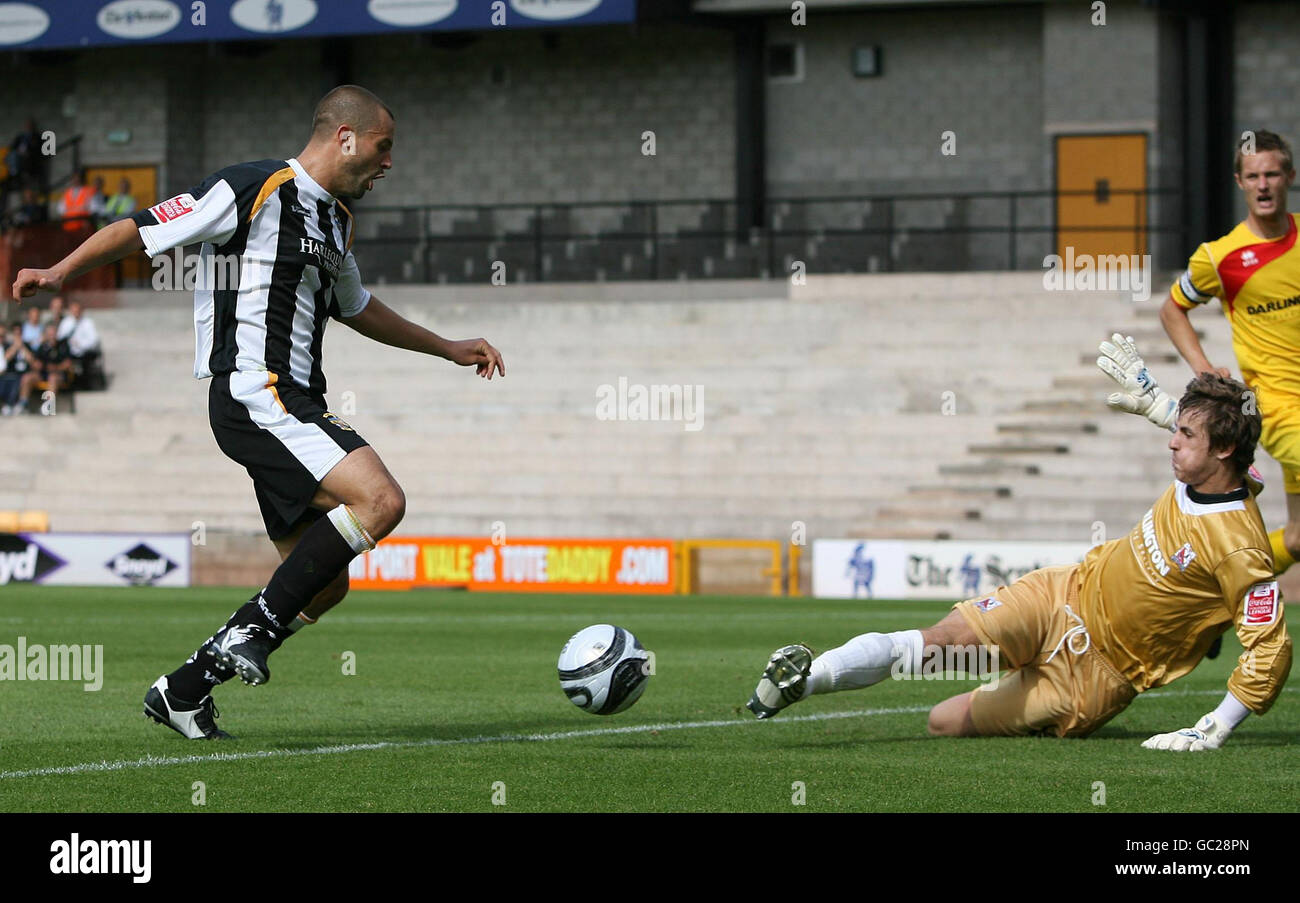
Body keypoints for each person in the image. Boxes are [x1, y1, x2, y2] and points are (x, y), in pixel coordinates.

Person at [11, 85, 505, 740]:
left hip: (294, 403)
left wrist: (445, 346)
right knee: (381, 500)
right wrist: (60, 271)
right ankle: (249, 634)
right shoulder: (255, 187)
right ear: (346, 138)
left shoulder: (336, 220)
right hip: (256, 391)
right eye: (384, 148)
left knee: (323, 585)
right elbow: (143, 228)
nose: (389, 163)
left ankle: (184, 688)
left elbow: (357, 306)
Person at [748, 371, 1292, 750]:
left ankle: (1011, 689)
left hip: (1093, 677)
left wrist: (1212, 727)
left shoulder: (1240, 546)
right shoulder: (1218, 471)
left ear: (1220, 450)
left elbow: (1271, 652)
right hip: (1062, 595)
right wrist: (1160, 406)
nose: (1171, 443)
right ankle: (807, 677)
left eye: (1184, 434)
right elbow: (1240, 461)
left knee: (944, 721)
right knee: (938, 645)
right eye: (1175, 430)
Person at [1159, 130, 1300, 585]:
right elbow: (1172, 308)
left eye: (1272, 173)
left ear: (1289, 177)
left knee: (1298, 539)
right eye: (1253, 175)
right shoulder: (1221, 258)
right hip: (1278, 407)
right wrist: (1202, 368)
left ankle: (1210, 597)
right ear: (1240, 182)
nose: (1264, 184)